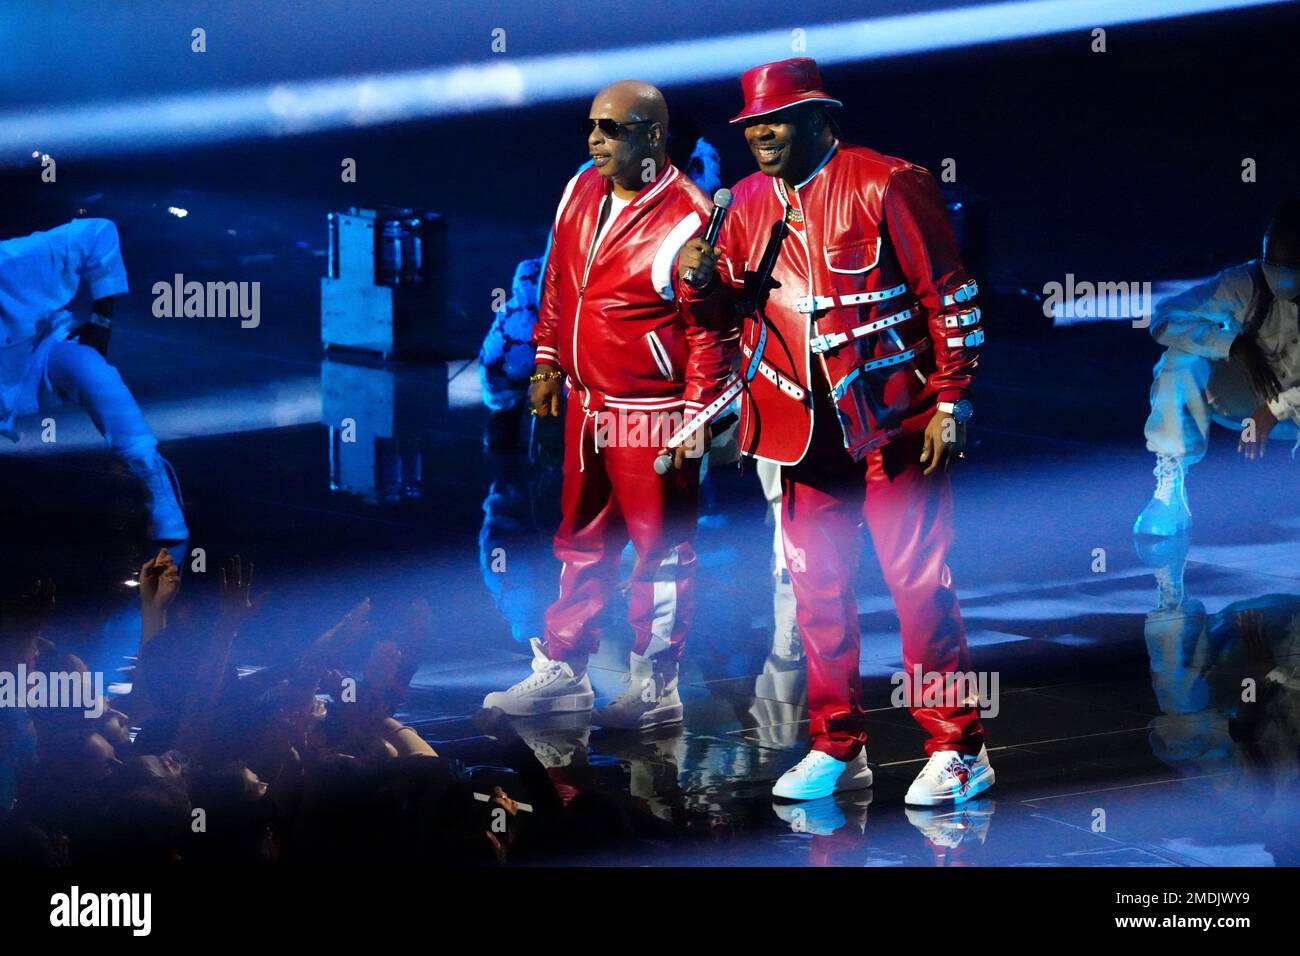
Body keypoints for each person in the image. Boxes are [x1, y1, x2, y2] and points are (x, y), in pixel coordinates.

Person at [677, 58, 993, 804]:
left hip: (894, 422)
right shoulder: (746, 203)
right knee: (816, 591)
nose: (761, 135)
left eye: (776, 121)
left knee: (919, 589)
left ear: (821, 118)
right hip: (799, 431)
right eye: (752, 125)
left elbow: (949, 294)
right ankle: (835, 743)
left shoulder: (887, 181)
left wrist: (951, 400)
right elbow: (722, 323)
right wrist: (698, 285)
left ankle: (959, 746)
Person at [481, 81, 737, 728]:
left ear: (654, 135)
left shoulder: (687, 216)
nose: (596, 139)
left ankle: (656, 689)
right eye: (591, 125)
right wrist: (544, 362)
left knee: (660, 554)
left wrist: (699, 416)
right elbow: (560, 284)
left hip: (652, 414)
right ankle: (565, 669)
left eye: (613, 128)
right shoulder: (581, 190)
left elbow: (712, 332)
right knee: (580, 541)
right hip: (587, 403)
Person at [0, 218, 188, 542]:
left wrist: (101, 323)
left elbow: (99, 231)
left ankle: (156, 486)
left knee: (90, 368)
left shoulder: (15, 259)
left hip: (38, 356)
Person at [1135, 199, 1300, 537]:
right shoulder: (1245, 283)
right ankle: (1171, 482)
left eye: (1292, 267)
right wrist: (1233, 346)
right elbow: (1165, 318)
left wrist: (1274, 410)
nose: (1280, 277)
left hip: (1292, 412)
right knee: (1180, 358)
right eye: (1274, 264)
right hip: (1245, 399)